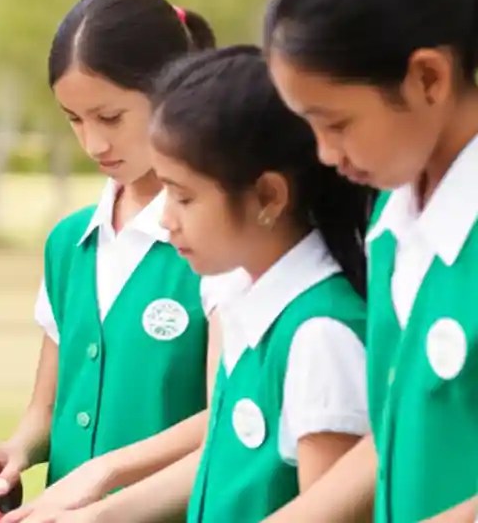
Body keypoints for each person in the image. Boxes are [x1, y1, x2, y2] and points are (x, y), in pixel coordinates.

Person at [0, 0, 235, 513]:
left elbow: (227, 411)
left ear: (172, 94)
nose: (94, 143)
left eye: (110, 118)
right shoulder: (69, 243)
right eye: (74, 120)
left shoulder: (219, 242)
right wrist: (16, 449)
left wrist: (105, 473)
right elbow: (48, 407)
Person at [36, 46, 372, 523]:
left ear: (269, 196)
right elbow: (218, 458)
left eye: (184, 197)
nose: (166, 220)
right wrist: (95, 515)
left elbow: (329, 509)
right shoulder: (246, 305)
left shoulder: (320, 335)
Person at [260, 0, 478, 523]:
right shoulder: (394, 222)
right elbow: (391, 431)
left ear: (428, 77)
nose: (325, 156)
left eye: (337, 124)